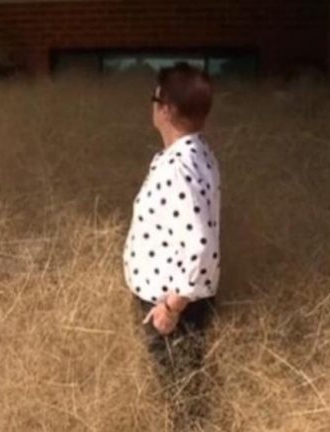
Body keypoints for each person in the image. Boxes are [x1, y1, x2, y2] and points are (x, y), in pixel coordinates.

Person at [122, 62, 221, 429]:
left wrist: (171, 307)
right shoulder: (192, 153)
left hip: (173, 307)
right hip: (173, 303)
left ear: (166, 109)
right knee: (182, 394)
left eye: (155, 99)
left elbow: (201, 244)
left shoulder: (181, 165)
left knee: (184, 401)